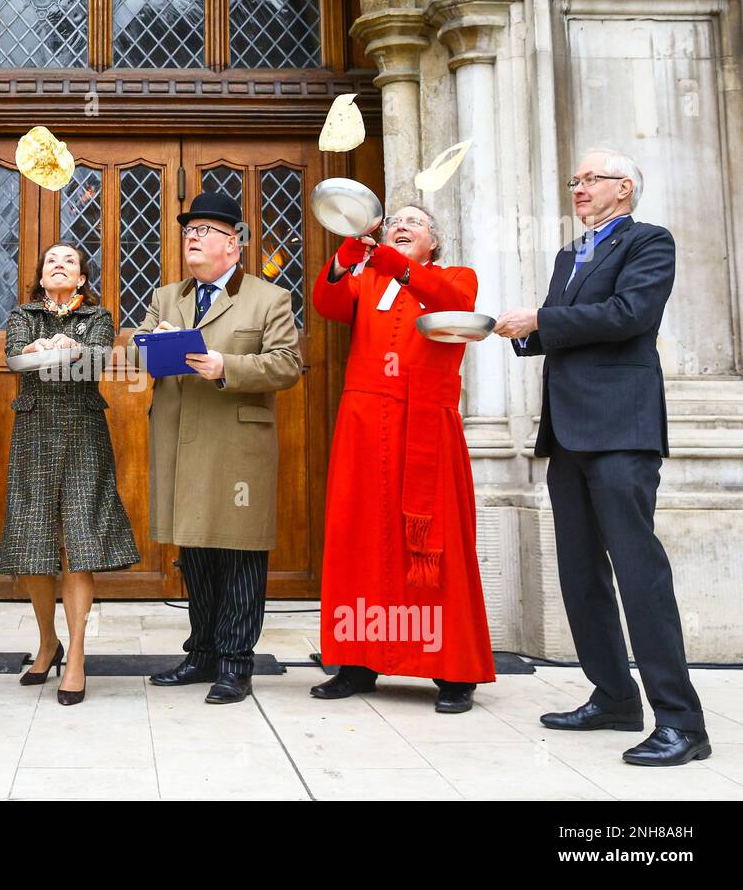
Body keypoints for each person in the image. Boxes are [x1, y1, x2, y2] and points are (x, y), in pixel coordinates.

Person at [495, 147, 709, 765]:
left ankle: (682, 721)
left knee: (640, 574)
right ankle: (614, 695)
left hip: (621, 430)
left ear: (626, 189)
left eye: (592, 179)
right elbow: (567, 325)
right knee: (581, 573)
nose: (579, 187)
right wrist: (519, 330)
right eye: (575, 179)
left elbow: (630, 314)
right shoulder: (571, 252)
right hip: (567, 433)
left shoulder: (650, 242)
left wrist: (542, 318)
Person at [310, 206, 495, 712]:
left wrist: (400, 267)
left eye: (415, 221)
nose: (401, 225)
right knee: (359, 537)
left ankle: (453, 671)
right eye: (394, 221)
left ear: (433, 241)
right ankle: (356, 661)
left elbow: (453, 304)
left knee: (437, 545)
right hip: (365, 421)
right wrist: (342, 262)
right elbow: (327, 305)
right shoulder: (367, 279)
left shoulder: (455, 275)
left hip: (425, 421)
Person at [135, 190, 301, 704]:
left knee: (240, 552)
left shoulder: (268, 298)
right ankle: (201, 653)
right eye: (188, 231)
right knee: (196, 550)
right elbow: (138, 351)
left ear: (234, 245)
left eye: (204, 231)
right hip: (181, 439)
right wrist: (153, 344)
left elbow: (287, 366)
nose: (192, 238)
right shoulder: (166, 296)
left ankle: (236, 662)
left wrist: (226, 365)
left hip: (236, 444)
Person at [0, 243, 141, 705]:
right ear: (41, 277)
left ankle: (75, 654)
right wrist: (38, 347)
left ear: (81, 279)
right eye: (51, 262)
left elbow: (99, 358)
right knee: (34, 540)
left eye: (70, 262)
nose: (59, 266)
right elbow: (16, 358)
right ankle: (47, 642)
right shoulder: (23, 315)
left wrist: (74, 348)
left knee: (79, 542)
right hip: (34, 430)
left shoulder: (97, 316)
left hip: (83, 431)